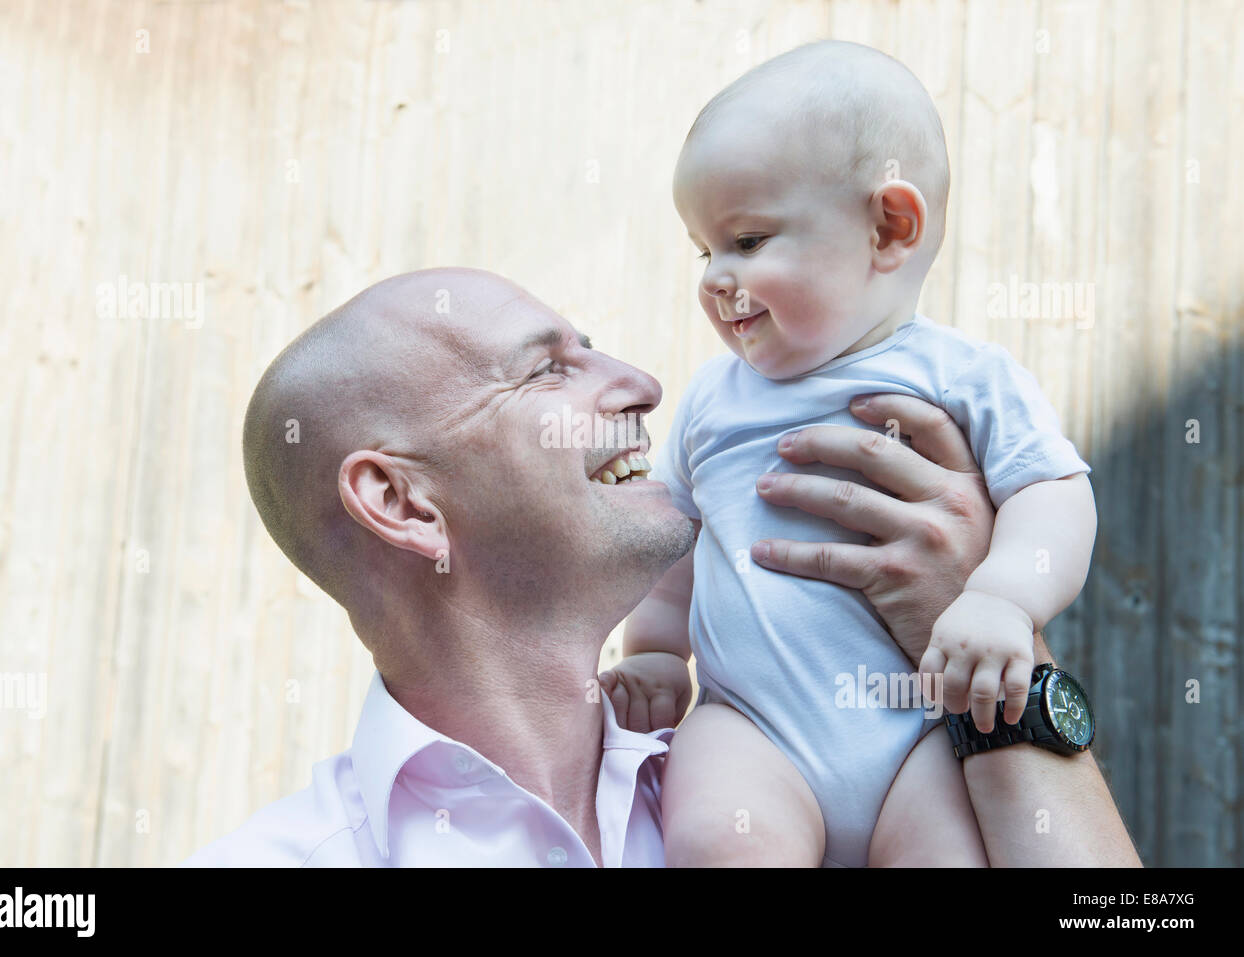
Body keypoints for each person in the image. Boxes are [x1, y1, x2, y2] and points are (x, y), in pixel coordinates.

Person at [182, 267, 1138, 867]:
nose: (641, 384)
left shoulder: (795, 771)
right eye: (549, 369)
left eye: (594, 349)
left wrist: (982, 653)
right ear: (402, 503)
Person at [611, 39, 1103, 867]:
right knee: (714, 842)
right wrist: (656, 647)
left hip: (919, 730)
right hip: (752, 723)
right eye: (705, 250)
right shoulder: (710, 399)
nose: (714, 277)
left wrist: (1004, 598)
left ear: (889, 227)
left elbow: (1054, 494)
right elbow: (676, 542)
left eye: (748, 238)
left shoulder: (960, 375)